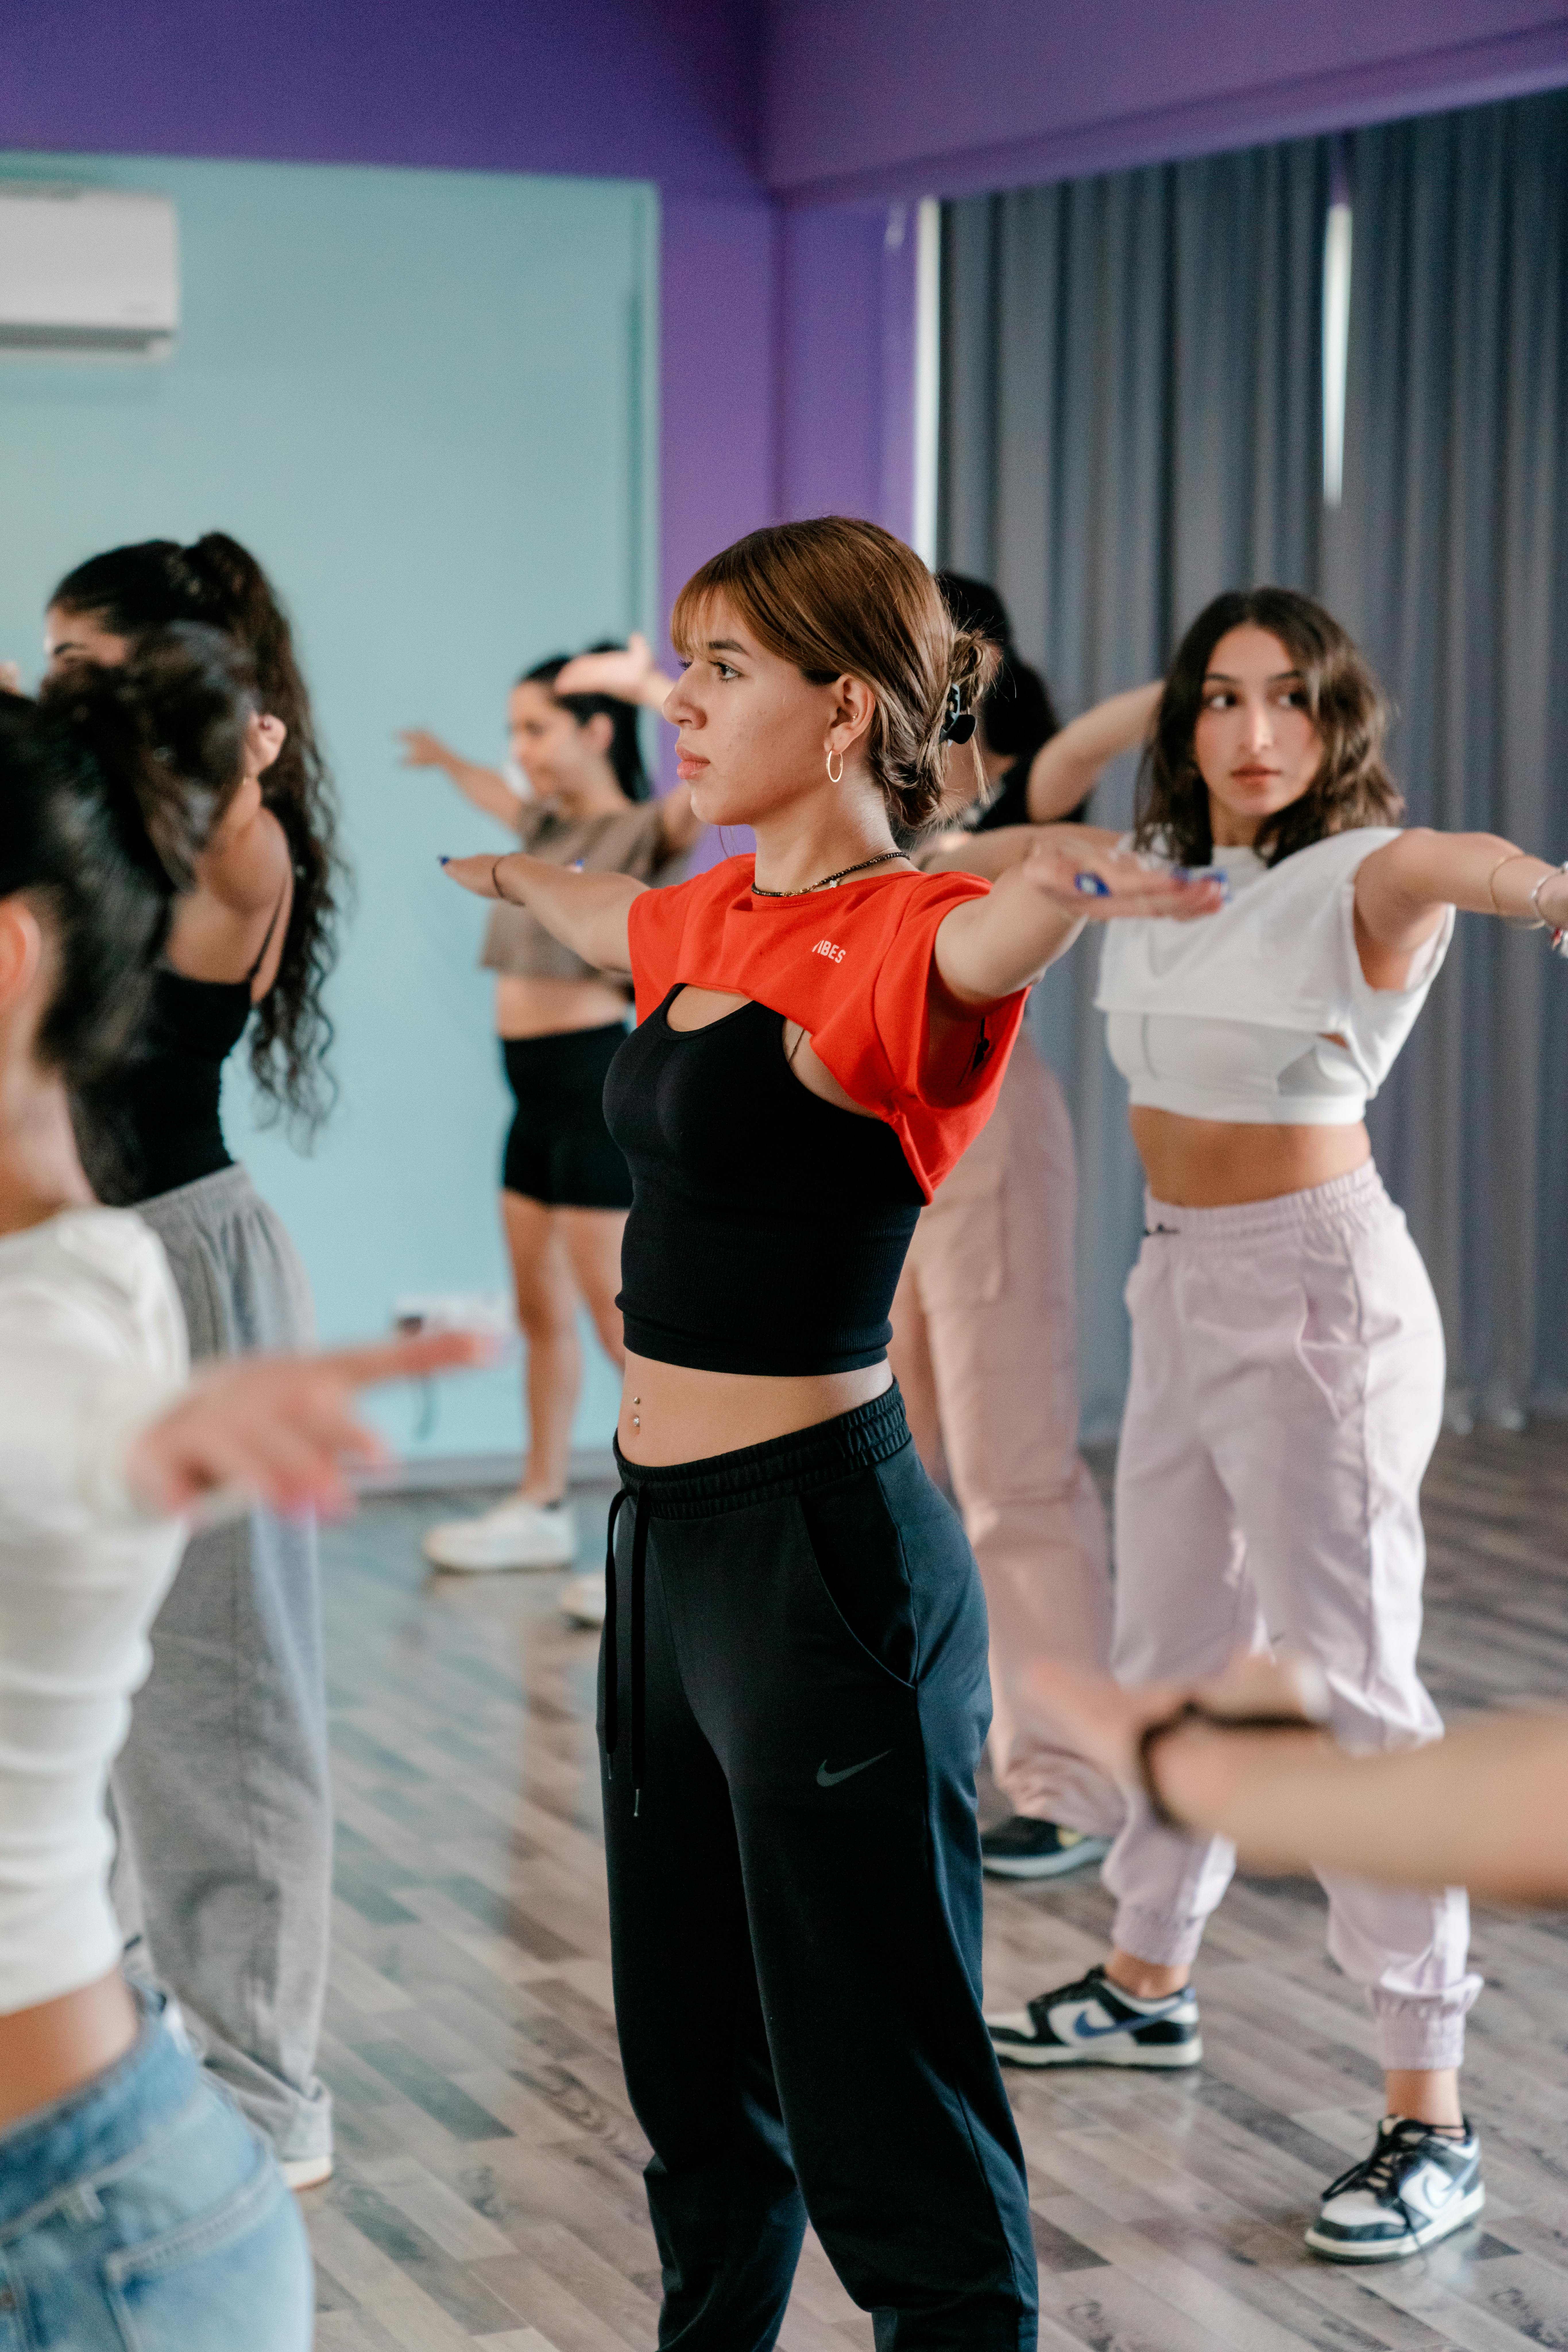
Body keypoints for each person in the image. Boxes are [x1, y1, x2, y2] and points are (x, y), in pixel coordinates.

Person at [443, 516, 1218, 2351]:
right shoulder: (708, 916)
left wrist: (1072, 887)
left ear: (842, 702)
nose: (681, 708)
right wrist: (506, 870)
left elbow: (992, 937)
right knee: (694, 2074)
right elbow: (605, 918)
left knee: (882, 2096)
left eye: (720, 671)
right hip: (665, 1549)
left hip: (820, 1565)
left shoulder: (915, 935)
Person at [985, 585, 1568, 2265]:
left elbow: (1459, 857)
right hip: (1176, 1290)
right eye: (1221, 701)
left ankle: (1428, 2110)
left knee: (1348, 1680)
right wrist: (1152, 697)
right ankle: (1148, 1975)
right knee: (1175, 1648)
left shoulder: (1354, 870)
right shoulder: (1165, 875)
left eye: (1290, 702)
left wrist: (1547, 893)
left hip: (1318, 1298)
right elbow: (1035, 804)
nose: (1254, 735)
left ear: (1338, 726)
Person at [0, 632, 482, 2346]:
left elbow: (61, 1435)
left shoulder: (81, 1317)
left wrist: (133, 1456)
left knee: (227, 1717)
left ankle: (270, 2078)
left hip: (76, 2247)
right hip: (108, 2198)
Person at [45, 534, 343, 2189]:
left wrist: (212, 741)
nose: (72, 701)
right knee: (70, 1699)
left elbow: (221, 830)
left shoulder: (239, 841)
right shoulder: (63, 836)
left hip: (184, 1278)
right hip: (59, 1283)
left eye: (102, 672)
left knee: (219, 1713)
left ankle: (262, 2098)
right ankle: (119, 2041)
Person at [887, 576, 1122, 1879]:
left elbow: (1046, 842)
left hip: (987, 1142)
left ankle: (1068, 1779)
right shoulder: (881, 789)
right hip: (883, 1144)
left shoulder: (1014, 795)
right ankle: (943, 1746)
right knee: (900, 1468)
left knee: (1013, 1473)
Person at [401, 644, 702, 1597]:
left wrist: (648, 686)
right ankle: (538, 1508)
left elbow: (701, 776)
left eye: (537, 728)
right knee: (539, 1314)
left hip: (587, 1091)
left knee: (620, 1331)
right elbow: (497, 798)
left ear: (596, 731)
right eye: (516, 732)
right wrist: (450, 762)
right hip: (526, 1101)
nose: (522, 750)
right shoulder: (544, 824)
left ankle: (677, 1532)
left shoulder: (640, 831)